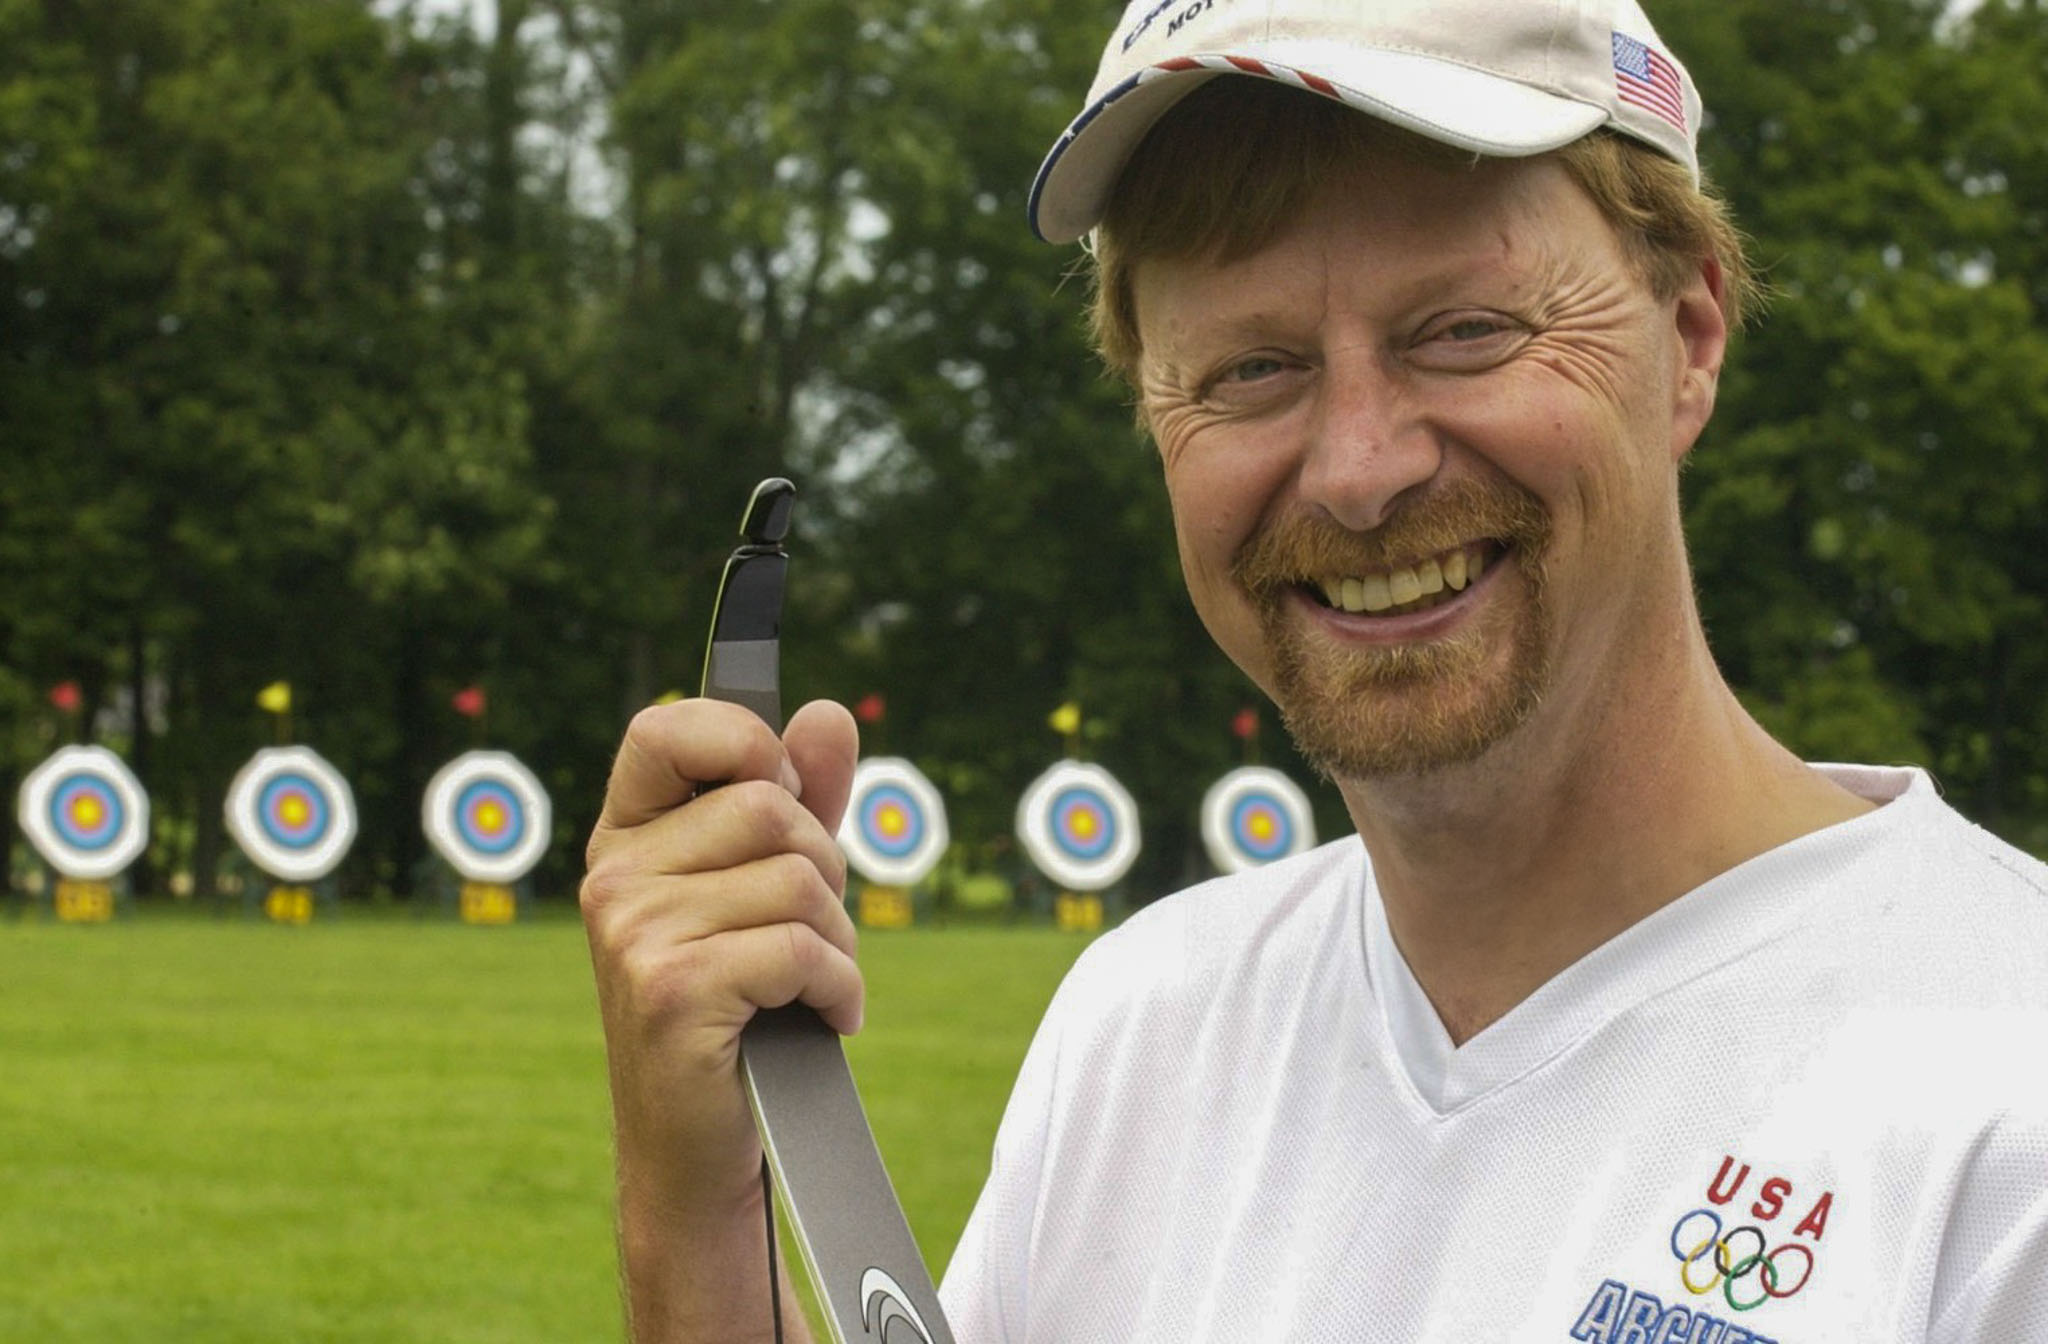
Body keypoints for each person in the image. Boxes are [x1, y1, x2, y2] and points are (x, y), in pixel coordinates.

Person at [580, 1, 2048, 1340]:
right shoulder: (1144, 1021)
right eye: (1248, 369)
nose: (1356, 471)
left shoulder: (2007, 1076)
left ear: (1690, 338)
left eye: (1465, 331)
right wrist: (697, 1206)